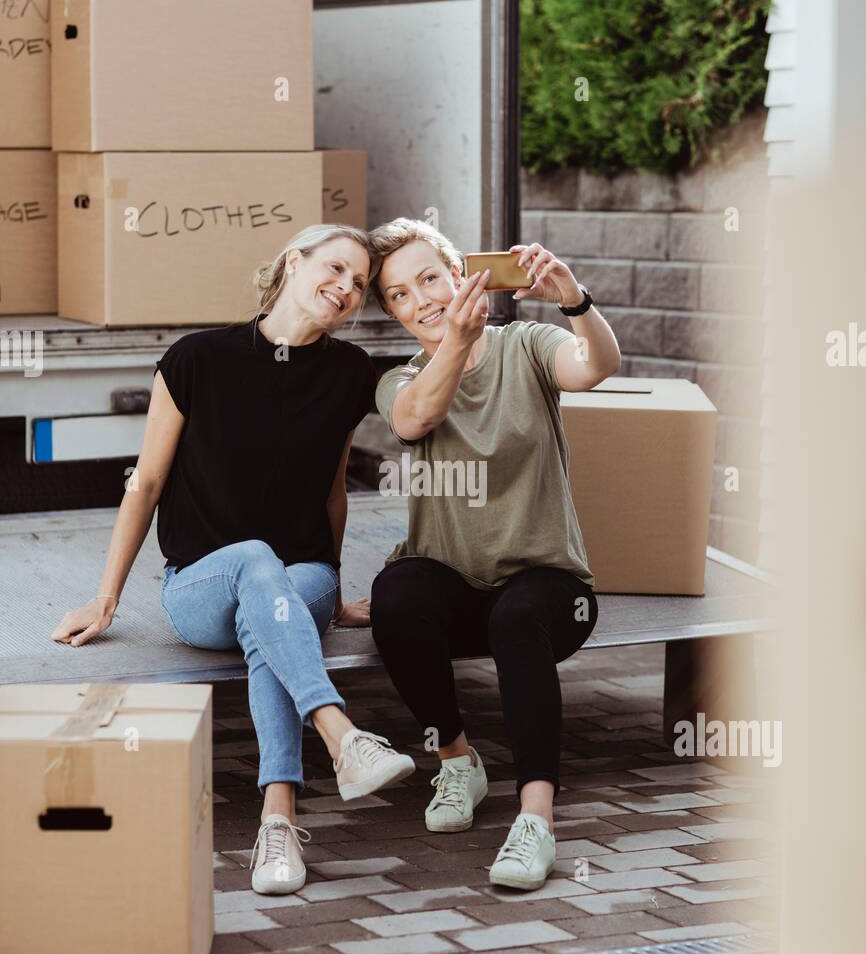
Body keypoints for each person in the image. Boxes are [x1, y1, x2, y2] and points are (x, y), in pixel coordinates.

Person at [51, 224, 415, 895]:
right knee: (252, 563)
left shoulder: (348, 373)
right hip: (200, 586)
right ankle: (340, 733)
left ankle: (277, 824)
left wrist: (331, 589)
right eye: (335, 269)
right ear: (293, 262)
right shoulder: (197, 359)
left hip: (300, 576)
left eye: (359, 284)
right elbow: (148, 484)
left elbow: (334, 491)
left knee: (267, 618)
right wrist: (105, 597)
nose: (344, 289)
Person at [368, 219, 621, 891]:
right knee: (397, 594)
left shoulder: (529, 346)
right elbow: (416, 419)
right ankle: (457, 760)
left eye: (429, 278)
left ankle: (535, 817)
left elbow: (596, 367)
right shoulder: (399, 379)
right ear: (391, 313)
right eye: (398, 295)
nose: (420, 300)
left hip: (550, 593)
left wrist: (573, 297)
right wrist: (455, 337)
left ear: (462, 276)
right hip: (459, 590)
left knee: (518, 616)